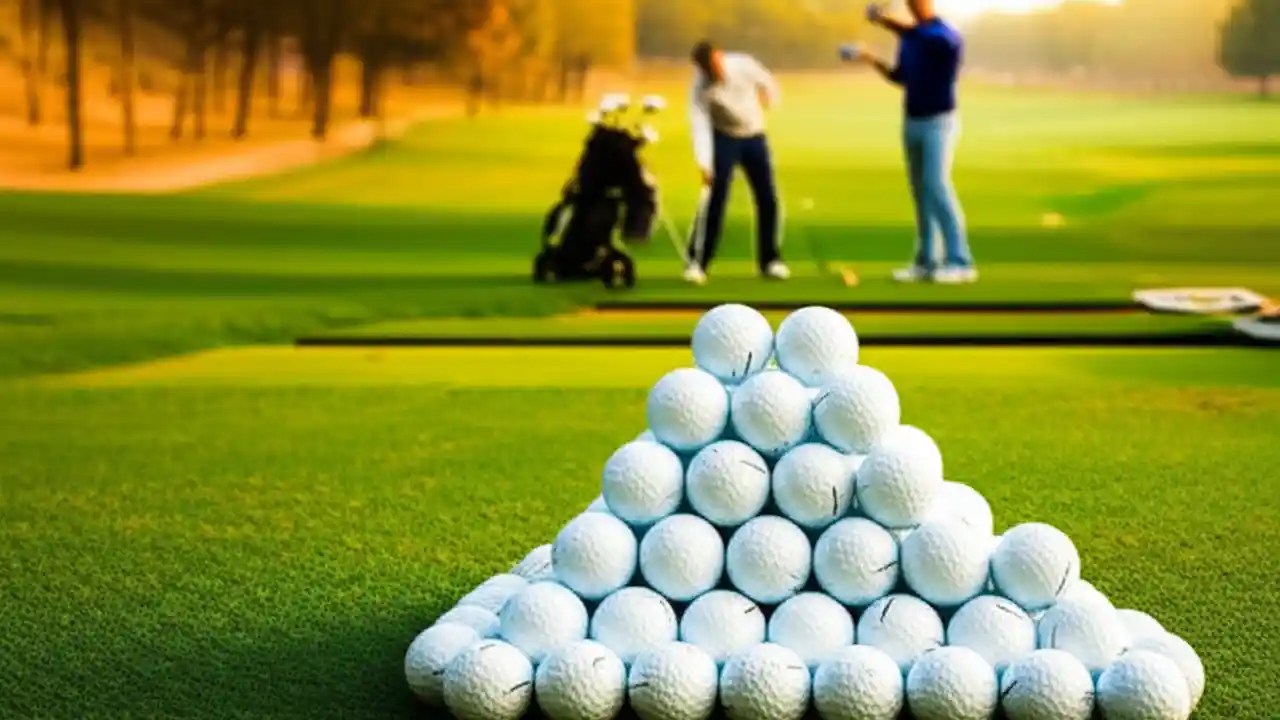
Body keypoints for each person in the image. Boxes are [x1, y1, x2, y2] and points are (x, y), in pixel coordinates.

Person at [844, 0, 977, 284]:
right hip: (912, 121)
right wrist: (870, 58)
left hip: (939, 121)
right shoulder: (911, 39)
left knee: (936, 185)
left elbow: (941, 43)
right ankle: (927, 261)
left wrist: (884, 20)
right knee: (921, 191)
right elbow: (900, 76)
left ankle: (960, 261)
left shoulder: (943, 34)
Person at [685, 40, 791, 285]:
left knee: (767, 198)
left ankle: (770, 260)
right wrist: (704, 163)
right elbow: (698, 123)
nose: (714, 73)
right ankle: (698, 261)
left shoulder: (743, 64)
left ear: (719, 56)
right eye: (707, 70)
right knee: (715, 199)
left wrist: (770, 100)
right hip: (723, 139)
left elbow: (767, 81)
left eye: (715, 65)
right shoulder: (701, 87)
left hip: (754, 137)